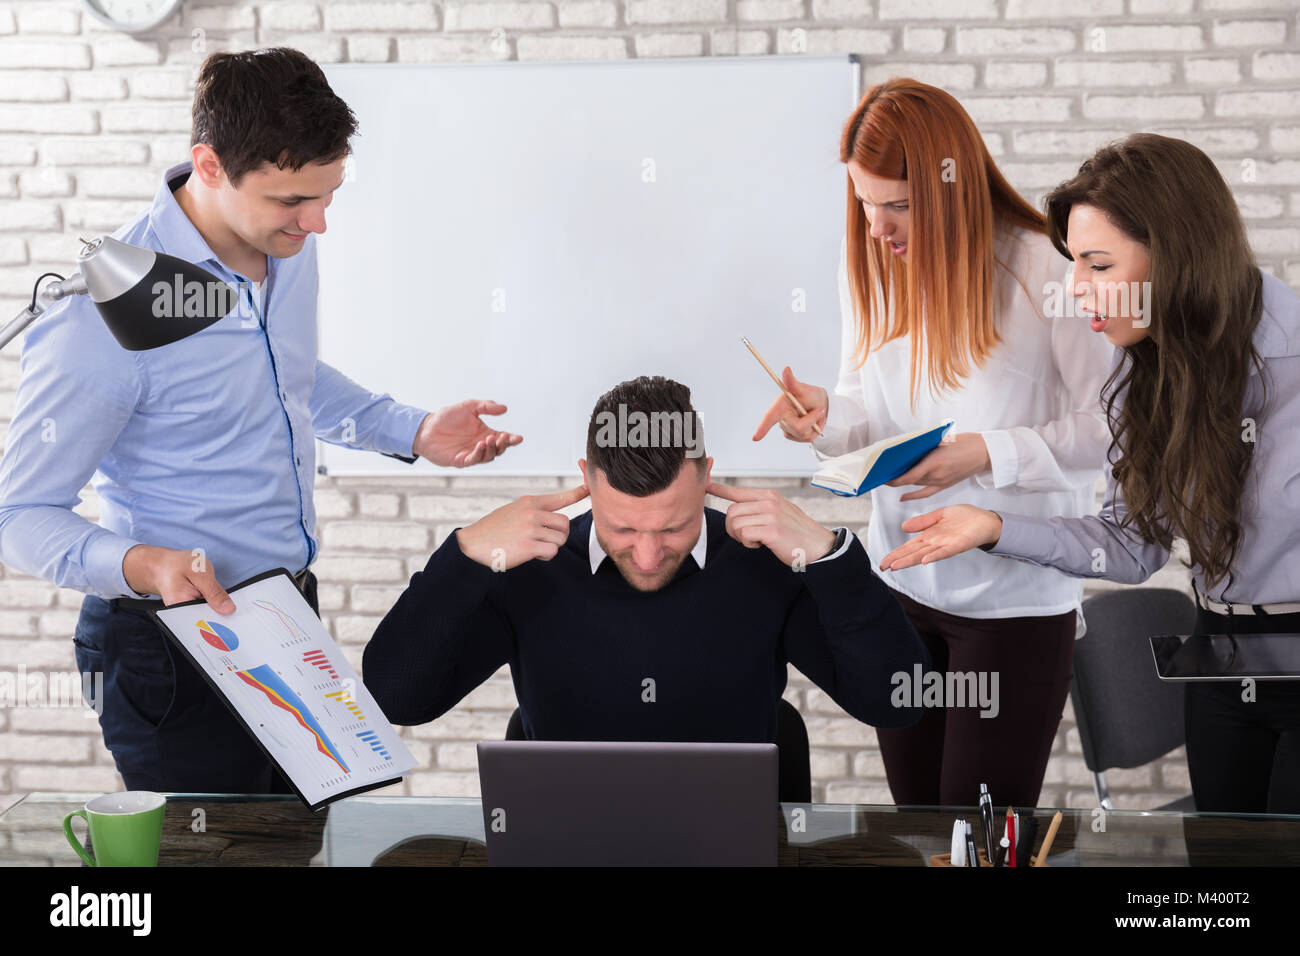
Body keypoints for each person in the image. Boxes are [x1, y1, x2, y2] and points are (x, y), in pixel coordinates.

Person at [0, 48, 521, 794]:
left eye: (328, 195)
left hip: (282, 616)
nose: (317, 224)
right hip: (168, 642)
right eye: (291, 203)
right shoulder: (107, 312)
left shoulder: (284, 246)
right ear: (208, 166)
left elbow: (286, 377)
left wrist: (407, 430)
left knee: (306, 839)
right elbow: (19, 514)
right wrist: (145, 564)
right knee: (214, 854)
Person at [878, 133, 1300, 815]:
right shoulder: (1148, 365)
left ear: (1177, 255)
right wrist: (993, 526)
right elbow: (1132, 549)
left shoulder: (1290, 360)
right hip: (1220, 657)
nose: (1077, 292)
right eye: (1074, 264)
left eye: (1098, 265)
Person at [751, 78, 1114, 809]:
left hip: (1013, 601)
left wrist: (986, 453)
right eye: (864, 203)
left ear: (953, 187)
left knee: (977, 840)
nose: (878, 228)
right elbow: (867, 413)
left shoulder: (1050, 271)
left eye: (898, 205)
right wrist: (824, 420)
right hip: (902, 588)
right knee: (918, 830)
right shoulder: (874, 268)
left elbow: (1110, 433)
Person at [363, 376, 928, 754]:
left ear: (707, 476)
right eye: (624, 529)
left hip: (728, 842)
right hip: (566, 842)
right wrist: (460, 559)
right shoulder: (532, 568)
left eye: (674, 527)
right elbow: (396, 699)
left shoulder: (765, 564)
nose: (651, 555)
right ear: (586, 480)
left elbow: (898, 702)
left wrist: (833, 558)